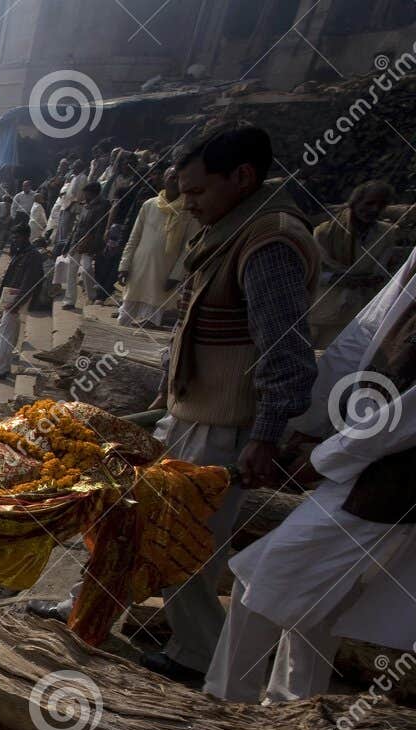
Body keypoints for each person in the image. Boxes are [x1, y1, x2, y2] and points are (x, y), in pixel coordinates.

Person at [30, 125, 320, 684]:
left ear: (242, 177)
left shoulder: (270, 244)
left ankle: (210, 665)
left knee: (186, 551)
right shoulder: (229, 231)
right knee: (126, 515)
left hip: (223, 428)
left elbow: (287, 351)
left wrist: (265, 435)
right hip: (190, 416)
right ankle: (86, 608)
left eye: (196, 191)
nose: (186, 203)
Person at [206, 249, 416, 703]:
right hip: (365, 468)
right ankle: (295, 711)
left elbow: (402, 417)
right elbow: (356, 345)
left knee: (260, 578)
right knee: (320, 604)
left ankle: (226, 702)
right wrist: (302, 427)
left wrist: (319, 457)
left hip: (388, 486)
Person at [310, 179, 399, 348]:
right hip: (327, 311)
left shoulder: (386, 233)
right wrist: (340, 278)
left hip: (364, 311)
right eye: (369, 203)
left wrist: (375, 280)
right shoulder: (325, 232)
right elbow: (313, 271)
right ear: (355, 202)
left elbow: (386, 270)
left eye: (380, 205)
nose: (373, 209)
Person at [117, 166, 191, 326]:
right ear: (164, 179)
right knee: (125, 318)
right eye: (172, 177)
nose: (175, 181)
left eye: (179, 178)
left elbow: (188, 248)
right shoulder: (149, 205)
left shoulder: (189, 210)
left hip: (164, 272)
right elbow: (134, 238)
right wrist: (124, 265)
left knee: (150, 321)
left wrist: (176, 276)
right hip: (139, 268)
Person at [0, 223, 46, 381]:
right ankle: (1, 367)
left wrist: (16, 304)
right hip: (10, 298)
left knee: (4, 335)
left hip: (17, 300)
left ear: (25, 237)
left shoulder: (32, 256)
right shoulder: (21, 253)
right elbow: (9, 278)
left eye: (16, 237)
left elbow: (29, 283)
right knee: (7, 333)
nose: (14, 240)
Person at [62, 182, 107, 309]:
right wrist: (68, 244)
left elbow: (100, 228)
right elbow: (77, 227)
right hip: (77, 241)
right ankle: (69, 301)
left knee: (87, 269)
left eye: (86, 193)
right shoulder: (85, 206)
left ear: (93, 193)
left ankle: (92, 296)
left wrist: (95, 246)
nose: (84, 195)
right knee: (71, 271)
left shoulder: (103, 206)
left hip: (90, 243)